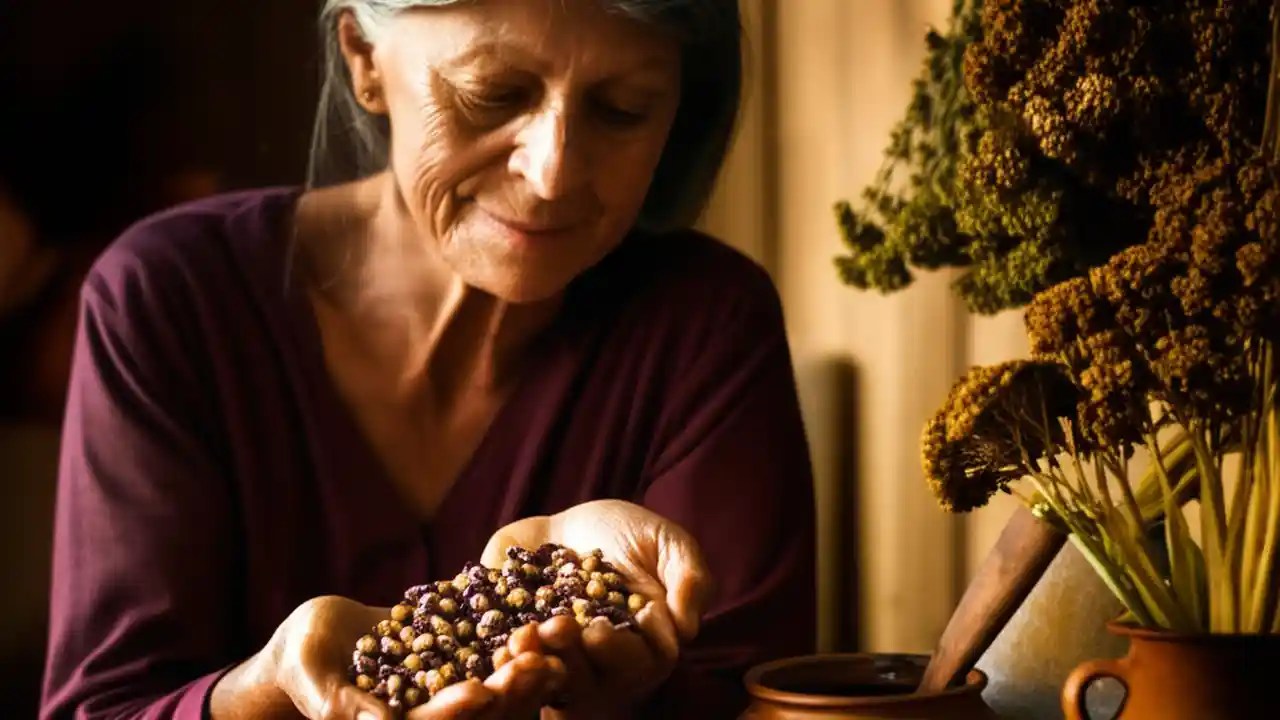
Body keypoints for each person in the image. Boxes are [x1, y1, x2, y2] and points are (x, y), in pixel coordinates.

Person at [40, 0, 816, 718]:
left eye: (622, 111)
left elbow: (758, 699)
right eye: (491, 93)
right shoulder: (171, 297)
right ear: (364, 58)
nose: (552, 175)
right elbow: (104, 706)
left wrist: (615, 695)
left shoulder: (706, 321)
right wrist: (269, 685)